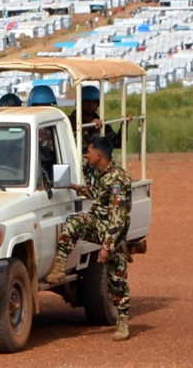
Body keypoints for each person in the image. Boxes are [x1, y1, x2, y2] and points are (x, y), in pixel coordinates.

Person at [45, 137, 133, 341]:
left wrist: (106, 247)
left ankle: (123, 320)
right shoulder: (101, 173)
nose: (87, 155)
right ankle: (59, 267)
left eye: (89, 152)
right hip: (98, 223)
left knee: (117, 279)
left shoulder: (118, 179)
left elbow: (118, 219)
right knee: (74, 223)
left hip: (114, 233)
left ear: (99, 155)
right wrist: (74, 186)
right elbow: (95, 193)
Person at [68, 85, 129, 151]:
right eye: (87, 102)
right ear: (80, 103)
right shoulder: (69, 122)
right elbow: (70, 144)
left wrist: (124, 125)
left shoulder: (101, 123)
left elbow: (118, 143)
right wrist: (89, 127)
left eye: (94, 102)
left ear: (98, 104)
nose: (91, 105)